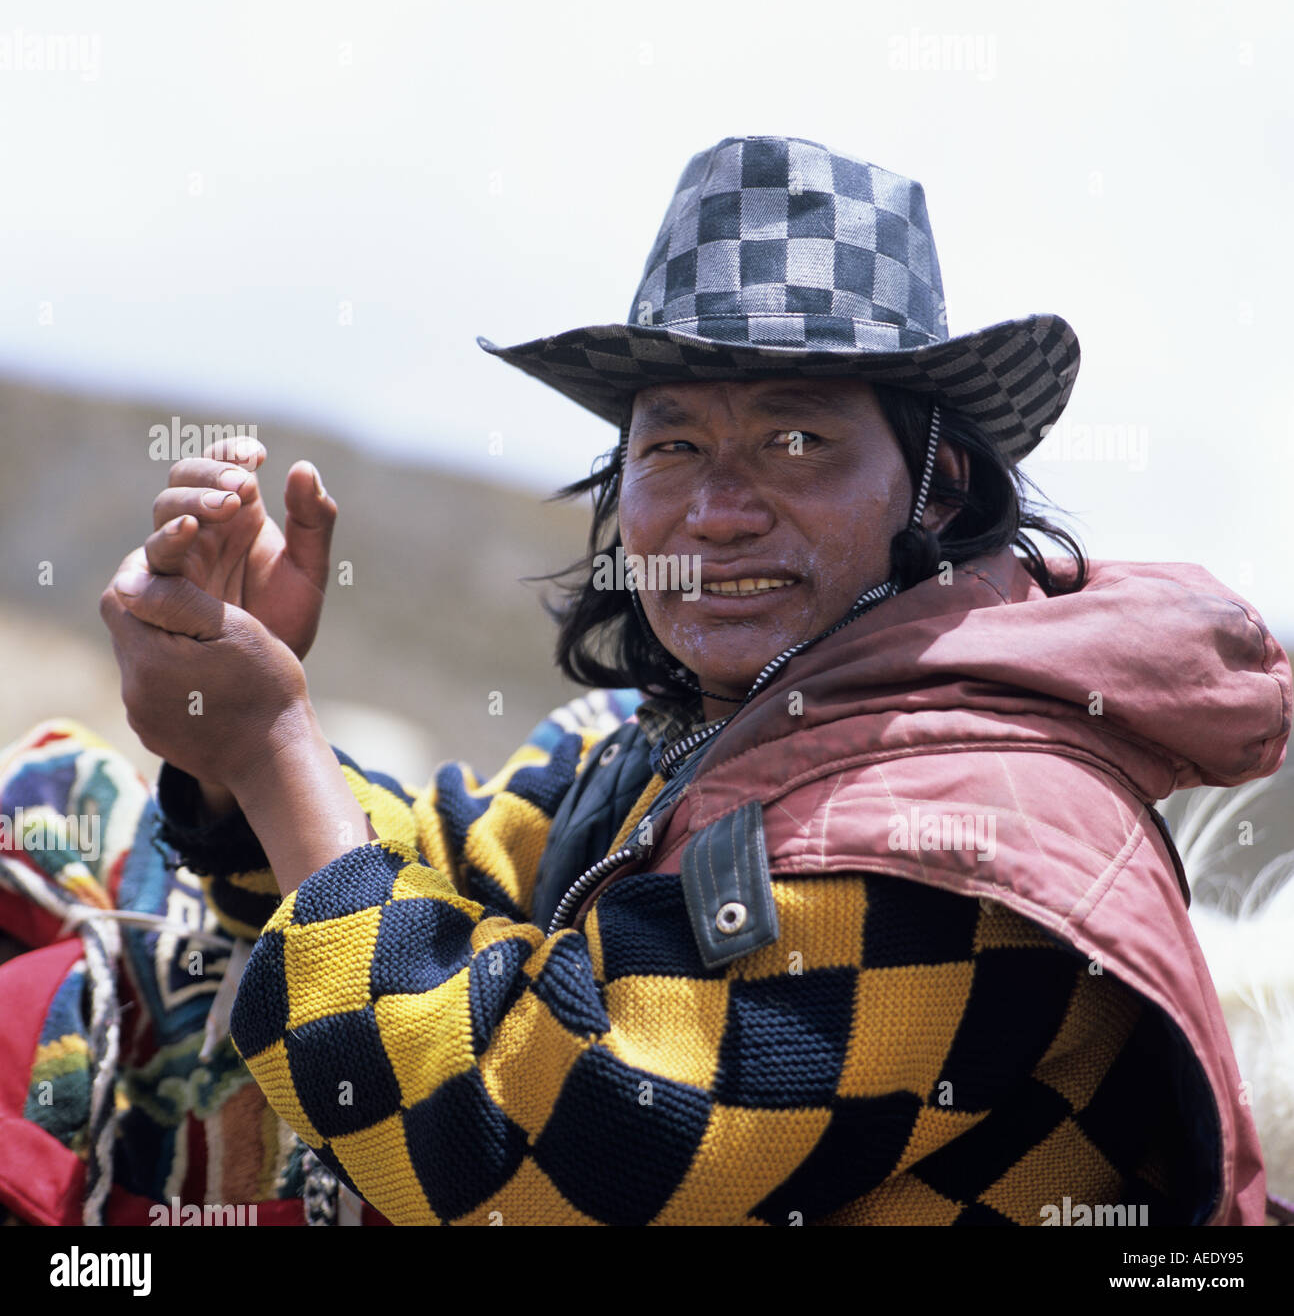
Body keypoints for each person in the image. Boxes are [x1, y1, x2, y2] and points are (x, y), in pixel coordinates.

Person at [89, 135, 1288, 1225]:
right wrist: (221, 721)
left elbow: (517, 1162)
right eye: (670, 446)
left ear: (941, 487)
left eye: (798, 439)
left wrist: (271, 745)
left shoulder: (963, 840)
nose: (715, 512)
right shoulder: (656, 740)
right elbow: (428, 866)